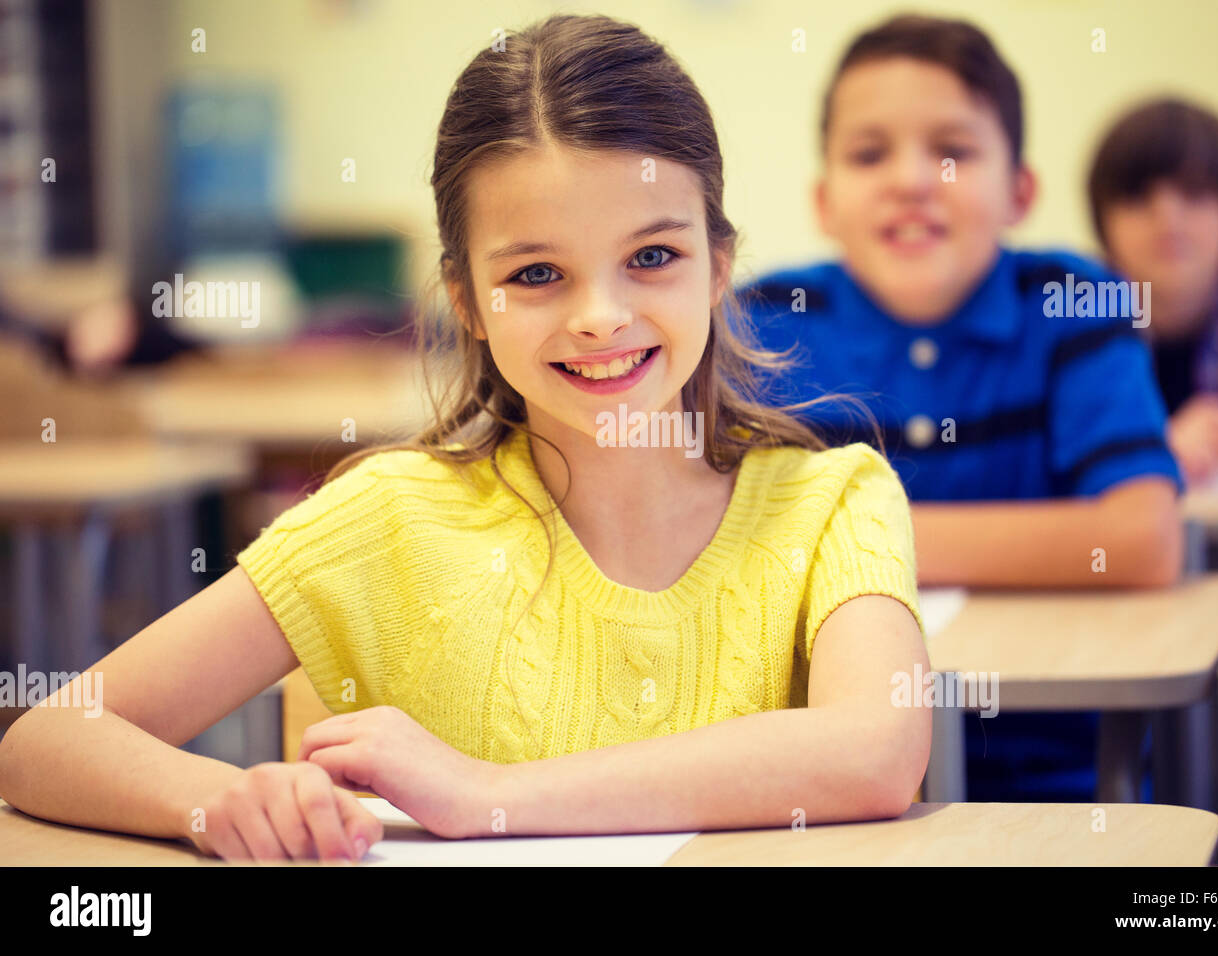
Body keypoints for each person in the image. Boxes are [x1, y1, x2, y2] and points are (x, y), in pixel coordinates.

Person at [0, 13, 929, 861]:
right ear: (466, 303)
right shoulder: (391, 519)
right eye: (535, 273)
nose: (601, 317)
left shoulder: (835, 500)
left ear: (718, 265)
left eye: (652, 256)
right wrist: (218, 798)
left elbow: (876, 749)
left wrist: (492, 796)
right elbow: (46, 740)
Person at [739, 13, 1185, 803]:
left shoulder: (1073, 302)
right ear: (824, 199)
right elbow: (722, 544)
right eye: (869, 154)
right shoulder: (765, 324)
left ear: (1020, 190)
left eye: (952, 152)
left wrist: (853, 543)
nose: (912, 179)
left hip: (1064, 777)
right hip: (821, 787)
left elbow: (1142, 539)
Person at [1088, 98, 1218, 481]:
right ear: (1103, 222)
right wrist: (1151, 453)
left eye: (1195, 193)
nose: (1168, 217)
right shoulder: (1071, 322)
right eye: (1138, 196)